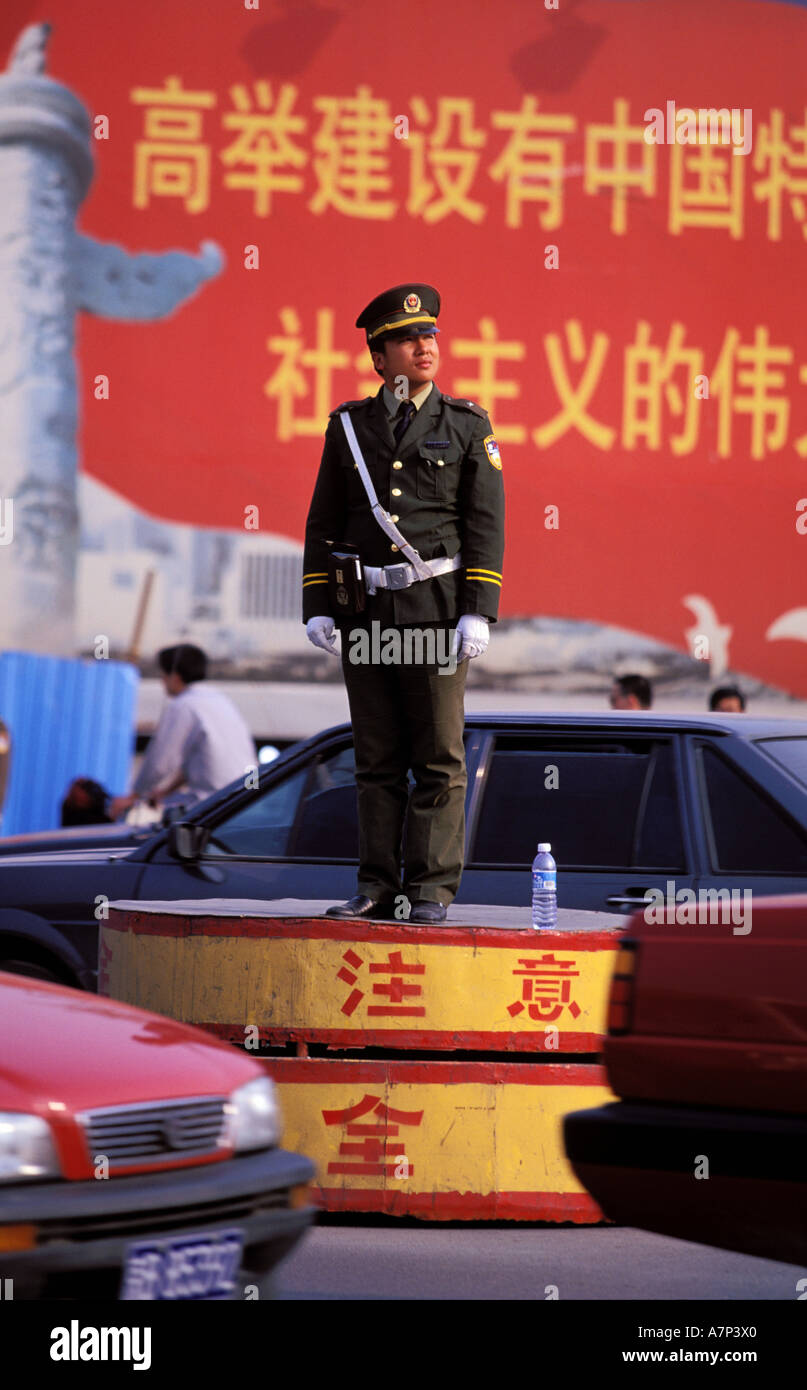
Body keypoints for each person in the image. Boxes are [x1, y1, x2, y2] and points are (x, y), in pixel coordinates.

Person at [303, 283, 505, 924]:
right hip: (367, 611)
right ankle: (375, 887)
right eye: (408, 338)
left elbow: (485, 524)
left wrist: (479, 607)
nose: (425, 345)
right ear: (378, 355)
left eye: (431, 335)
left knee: (440, 759)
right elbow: (323, 521)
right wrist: (318, 603)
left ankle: (430, 892)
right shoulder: (349, 427)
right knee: (376, 760)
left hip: (438, 613)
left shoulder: (467, 424)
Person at [109, 643, 256, 818]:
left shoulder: (183, 705)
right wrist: (164, 792)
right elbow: (202, 760)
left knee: (159, 827)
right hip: (246, 795)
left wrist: (133, 796)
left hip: (215, 801)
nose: (162, 681)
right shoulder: (220, 700)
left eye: (163, 675)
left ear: (175, 677)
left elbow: (160, 762)